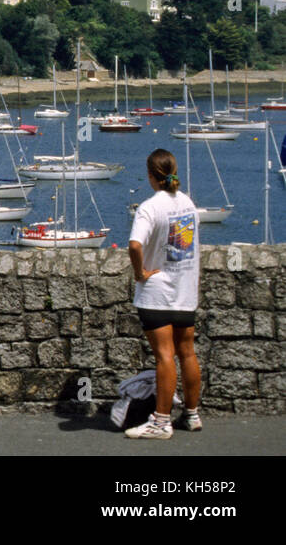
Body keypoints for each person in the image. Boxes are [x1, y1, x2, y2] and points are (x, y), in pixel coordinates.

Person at [126, 148, 202, 439]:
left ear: (150, 175)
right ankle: (192, 414)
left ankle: (160, 422)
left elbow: (135, 245)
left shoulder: (149, 207)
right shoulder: (188, 203)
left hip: (157, 294)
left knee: (164, 356)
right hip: (184, 290)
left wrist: (139, 273)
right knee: (187, 353)